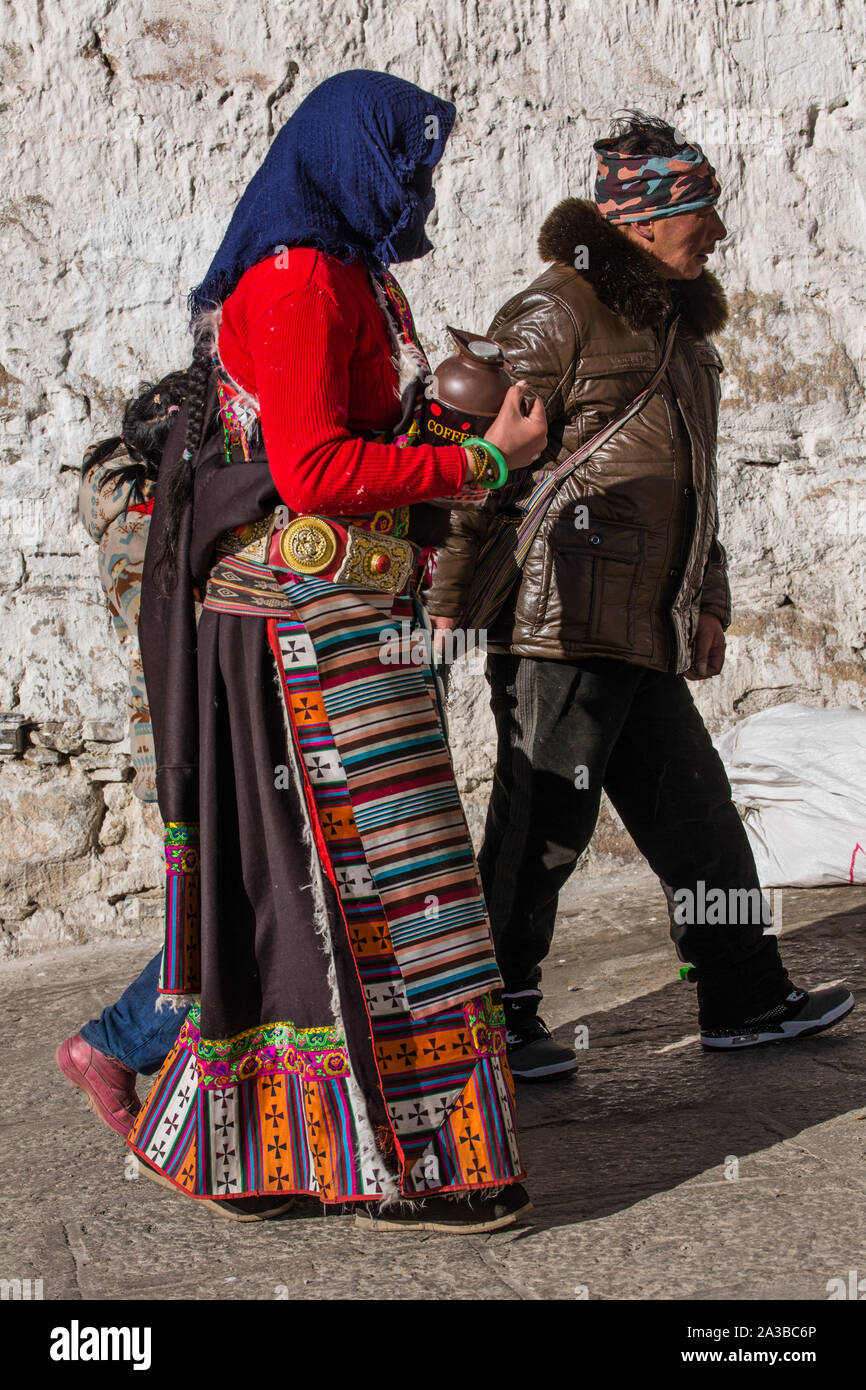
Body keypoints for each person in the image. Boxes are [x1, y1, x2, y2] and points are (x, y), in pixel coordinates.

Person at [125, 70, 547, 1228]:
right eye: (405, 158)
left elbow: (344, 440)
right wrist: (479, 465)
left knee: (362, 888)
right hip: (300, 637)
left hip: (347, 617)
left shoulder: (349, 270)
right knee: (385, 891)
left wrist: (435, 434)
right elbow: (312, 472)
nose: (418, 183)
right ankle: (410, 1158)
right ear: (351, 157)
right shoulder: (299, 277)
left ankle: (307, 1155)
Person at [427, 112, 854, 1080]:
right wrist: (453, 596)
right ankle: (495, 1016)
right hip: (561, 617)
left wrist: (707, 597)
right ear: (647, 219)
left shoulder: (674, 324)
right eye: (701, 211)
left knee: (693, 812)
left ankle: (742, 994)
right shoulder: (555, 312)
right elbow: (481, 467)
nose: (718, 232)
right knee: (541, 824)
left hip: (643, 621)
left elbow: (695, 481)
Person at [57, 373, 193, 1135]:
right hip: (185, 746)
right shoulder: (144, 522)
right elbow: (180, 635)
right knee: (227, 913)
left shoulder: (149, 509)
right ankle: (110, 1045)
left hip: (189, 742)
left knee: (228, 909)